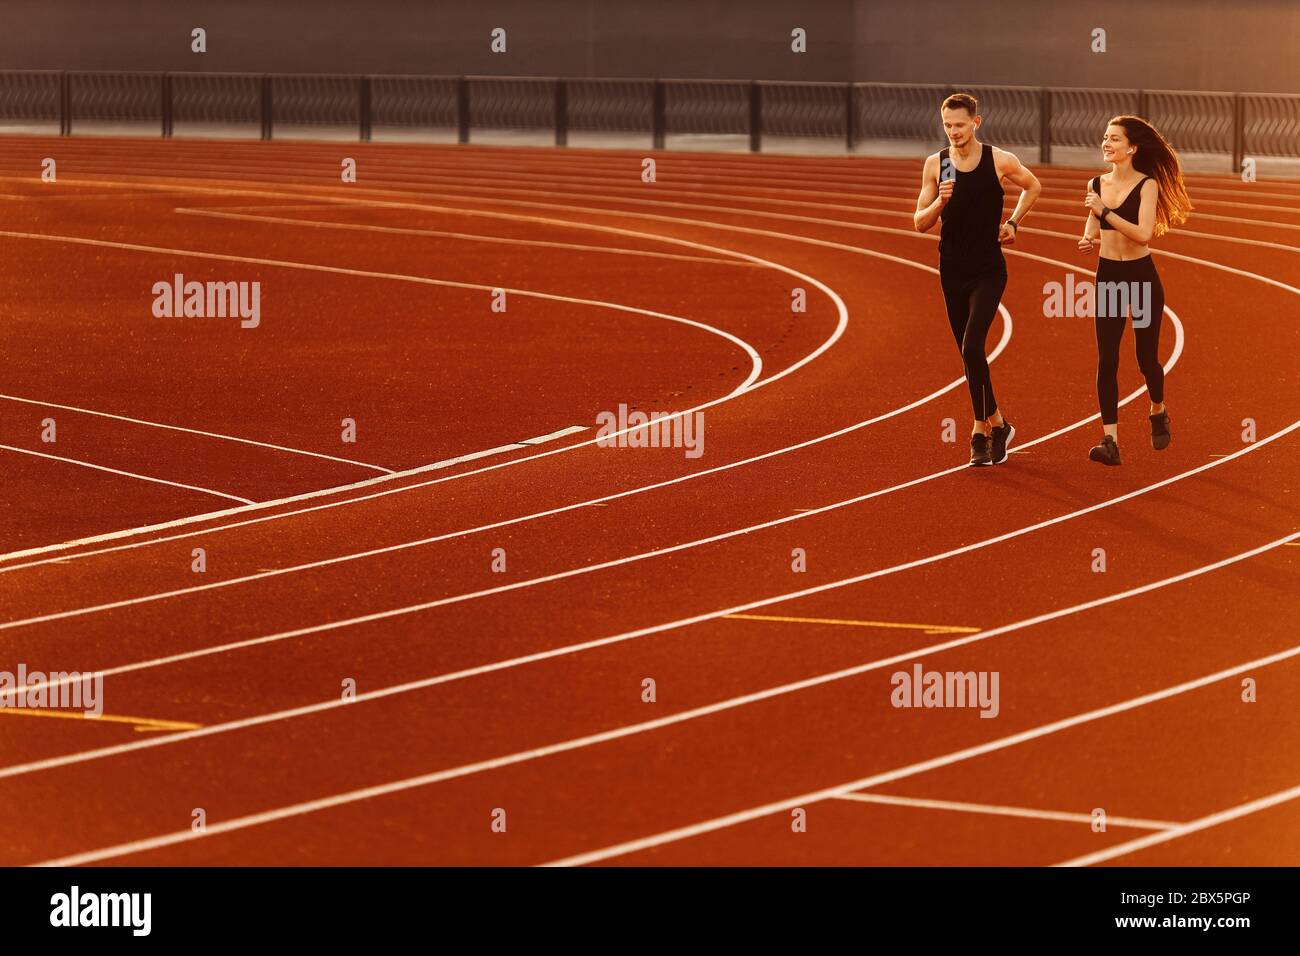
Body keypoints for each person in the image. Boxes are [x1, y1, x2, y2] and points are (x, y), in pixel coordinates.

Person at [914, 92, 1041, 466]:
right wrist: (939, 202)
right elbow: (919, 223)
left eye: (960, 124)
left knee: (972, 347)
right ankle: (995, 425)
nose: (953, 131)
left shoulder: (998, 160)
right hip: (951, 271)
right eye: (948, 125)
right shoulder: (936, 165)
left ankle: (977, 430)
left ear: (976, 123)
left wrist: (1015, 222)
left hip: (988, 269)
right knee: (969, 357)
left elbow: (1033, 186)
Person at [1079, 115, 1192, 465]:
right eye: (1105, 137)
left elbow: (1143, 234)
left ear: (1131, 148)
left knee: (1146, 359)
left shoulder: (1147, 186)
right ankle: (1109, 440)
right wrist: (1087, 238)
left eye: (1114, 139)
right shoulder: (1095, 184)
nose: (1106, 143)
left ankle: (1157, 409)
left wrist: (1105, 213)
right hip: (1108, 275)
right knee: (1107, 359)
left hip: (1141, 277)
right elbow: (1092, 226)